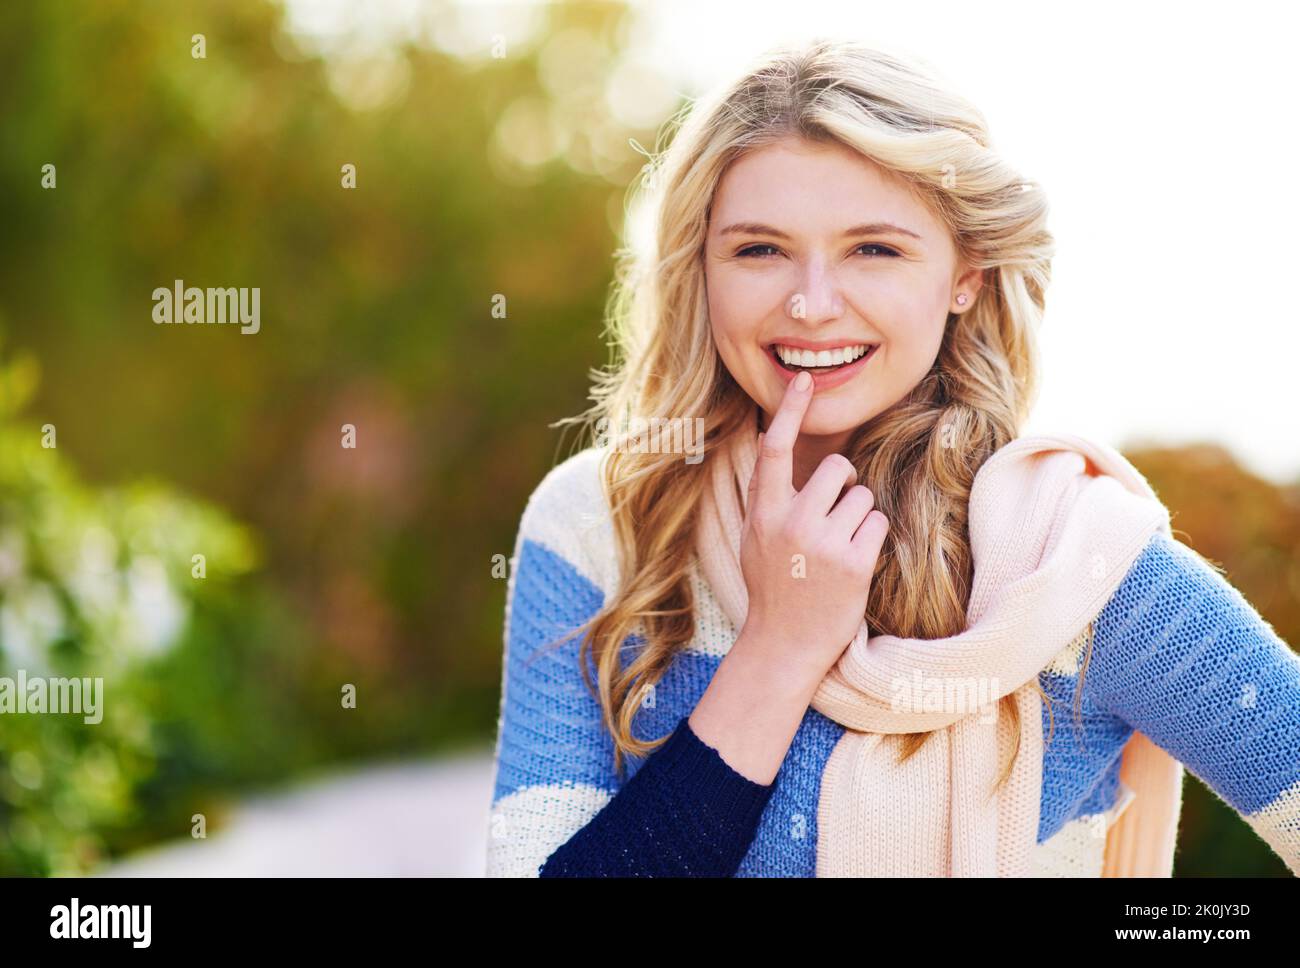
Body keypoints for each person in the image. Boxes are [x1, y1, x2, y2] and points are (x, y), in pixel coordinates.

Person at [485, 38, 1300, 877]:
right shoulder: (599, 523)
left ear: (965, 275)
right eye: (758, 249)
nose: (810, 303)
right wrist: (778, 649)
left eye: (874, 249)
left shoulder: (1071, 565)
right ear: (701, 268)